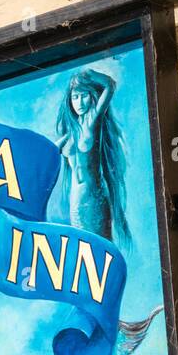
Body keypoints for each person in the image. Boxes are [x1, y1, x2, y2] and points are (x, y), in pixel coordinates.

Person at [56, 69, 130, 246]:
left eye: (84, 96)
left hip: (93, 197)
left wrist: (90, 74)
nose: (79, 102)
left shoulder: (93, 120)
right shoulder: (71, 132)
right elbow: (47, 151)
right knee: (84, 249)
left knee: (100, 247)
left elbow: (110, 86)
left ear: (92, 96)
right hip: (76, 199)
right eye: (75, 97)